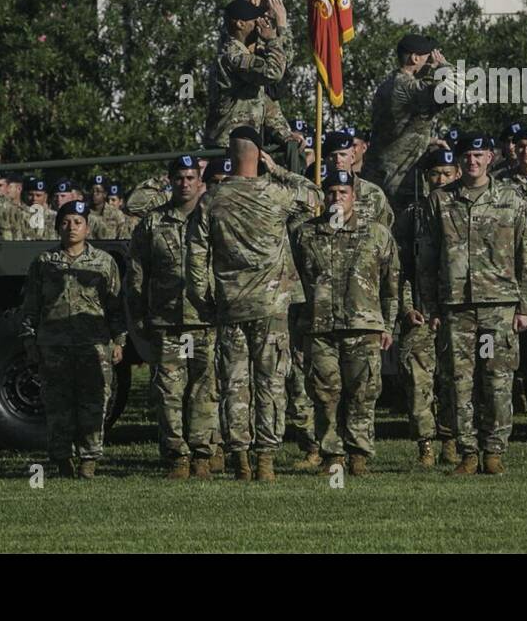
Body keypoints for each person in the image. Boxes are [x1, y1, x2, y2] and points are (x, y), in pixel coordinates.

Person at [187, 128, 322, 482]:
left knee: (234, 383)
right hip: (272, 306)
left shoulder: (211, 200)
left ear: (230, 156)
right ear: (259, 155)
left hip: (230, 305)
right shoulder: (276, 194)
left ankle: (240, 458)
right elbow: (315, 196)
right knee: (271, 383)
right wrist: (277, 169)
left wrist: (203, 298)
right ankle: (266, 459)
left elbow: (196, 258)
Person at [417, 133, 527, 475]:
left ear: (490, 158)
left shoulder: (511, 199)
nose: (473, 161)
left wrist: (525, 306)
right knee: (460, 383)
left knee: (497, 379)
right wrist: (430, 307)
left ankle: (494, 450)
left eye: (479, 155)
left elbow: (525, 255)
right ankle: (468, 451)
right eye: (467, 155)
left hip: (497, 306)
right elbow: (427, 257)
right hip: (457, 307)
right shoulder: (440, 201)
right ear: (459, 161)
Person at [291, 170, 399, 477]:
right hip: (319, 327)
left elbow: (391, 283)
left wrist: (388, 326)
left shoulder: (377, 234)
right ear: (324, 197)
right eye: (332, 193)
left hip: (362, 326)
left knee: (362, 392)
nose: (337, 198)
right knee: (325, 392)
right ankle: (332, 454)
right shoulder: (306, 234)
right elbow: (295, 284)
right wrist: (296, 328)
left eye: (343, 192)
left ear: (354, 196)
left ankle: (359, 453)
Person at [19, 200, 126, 479]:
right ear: (57, 227)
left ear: (87, 227)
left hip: (94, 345)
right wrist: (29, 340)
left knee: (94, 402)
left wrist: (119, 341)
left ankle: (89, 460)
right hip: (54, 345)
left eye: (77, 222)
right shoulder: (44, 263)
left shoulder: (104, 263)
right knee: (57, 405)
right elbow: (31, 306)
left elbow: (115, 307)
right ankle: (62, 458)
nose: (71, 228)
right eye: (65, 222)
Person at [127, 155, 216, 479]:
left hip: (203, 322)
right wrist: (138, 316)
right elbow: (137, 274)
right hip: (168, 323)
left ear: (200, 181)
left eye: (191, 177)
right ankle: (177, 455)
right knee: (169, 391)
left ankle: (203, 455)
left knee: (204, 391)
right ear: (171, 181)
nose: (185, 183)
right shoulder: (152, 223)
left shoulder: (211, 219)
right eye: (179, 178)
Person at [393, 148, 460, 466]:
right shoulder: (412, 215)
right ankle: (426, 447)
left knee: (454, 381)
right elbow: (400, 269)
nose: (441, 180)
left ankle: (451, 441)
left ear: (457, 175)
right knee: (419, 382)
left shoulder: (465, 211)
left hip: (456, 312)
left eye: (447, 174)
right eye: (435, 174)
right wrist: (407, 308)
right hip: (420, 310)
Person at [362, 32, 460, 210]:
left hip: (379, 177)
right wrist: (444, 67)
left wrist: (428, 141)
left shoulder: (388, 84)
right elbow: (453, 92)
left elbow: (396, 132)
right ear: (415, 58)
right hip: (401, 182)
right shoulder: (409, 88)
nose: (432, 61)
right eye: (429, 57)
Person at [203, 0, 295, 149]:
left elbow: (263, 101)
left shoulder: (246, 53)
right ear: (240, 24)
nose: (261, 23)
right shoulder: (233, 56)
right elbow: (273, 72)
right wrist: (273, 38)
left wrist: (285, 134)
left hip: (246, 145)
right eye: (255, 20)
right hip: (227, 146)